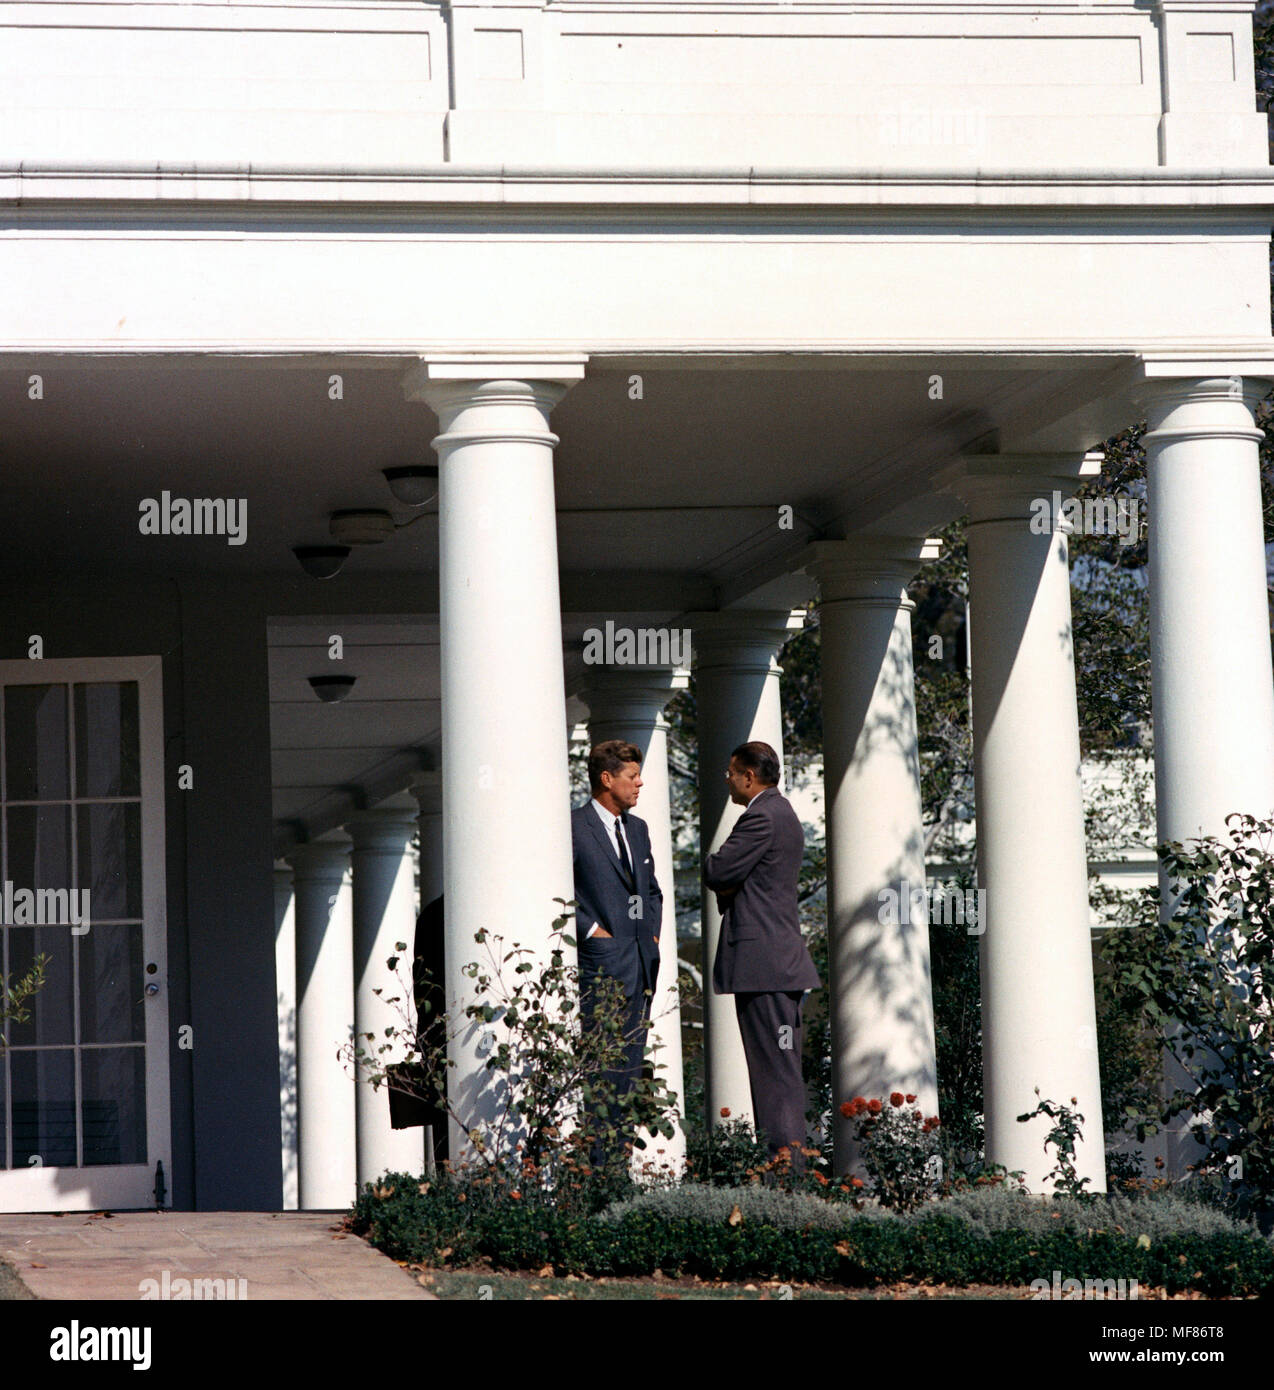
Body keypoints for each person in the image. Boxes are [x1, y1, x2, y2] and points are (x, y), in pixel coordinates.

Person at [704, 740, 820, 1168]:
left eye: (731, 773)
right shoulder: (781, 813)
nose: (728, 779)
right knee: (779, 1073)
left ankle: (785, 1175)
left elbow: (717, 870)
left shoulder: (761, 818)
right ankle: (787, 1171)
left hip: (766, 968)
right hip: (778, 967)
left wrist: (731, 880)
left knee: (774, 1077)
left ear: (749, 777)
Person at [570, 739, 663, 1161]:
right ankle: (597, 1171)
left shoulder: (638, 829)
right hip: (600, 968)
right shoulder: (572, 826)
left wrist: (651, 934)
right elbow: (556, 889)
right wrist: (592, 931)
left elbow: (651, 892)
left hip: (641, 966)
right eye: (632, 776)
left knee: (629, 1073)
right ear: (606, 779)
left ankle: (617, 1173)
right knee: (601, 1074)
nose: (640, 783)